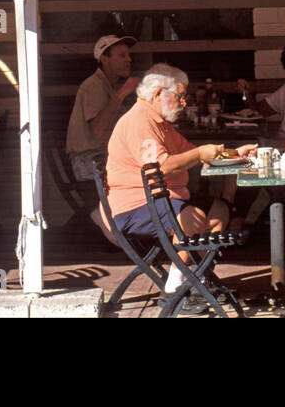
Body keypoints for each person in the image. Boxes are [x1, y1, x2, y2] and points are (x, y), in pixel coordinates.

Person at [105, 63, 255, 315]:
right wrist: (199, 154)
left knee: (219, 210)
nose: (184, 103)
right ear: (157, 94)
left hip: (162, 200)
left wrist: (234, 153)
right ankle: (174, 291)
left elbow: (191, 152)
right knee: (192, 218)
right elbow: (160, 167)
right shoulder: (139, 122)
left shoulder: (158, 122)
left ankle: (197, 280)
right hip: (136, 206)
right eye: (180, 97)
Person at [65, 34, 138, 181]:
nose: (128, 59)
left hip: (100, 156)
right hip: (89, 160)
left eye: (128, 55)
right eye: (122, 55)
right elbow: (98, 129)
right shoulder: (94, 85)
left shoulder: (108, 86)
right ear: (105, 59)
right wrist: (123, 92)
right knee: (144, 175)